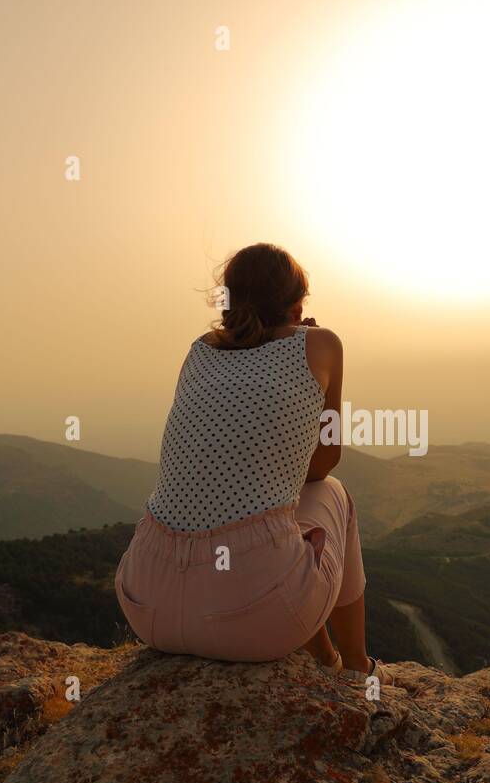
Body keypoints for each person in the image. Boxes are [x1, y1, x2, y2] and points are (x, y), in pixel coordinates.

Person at [115, 242, 389, 686]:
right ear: (298, 303)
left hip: (147, 607)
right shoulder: (322, 345)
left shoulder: (200, 349)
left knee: (268, 518)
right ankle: (357, 667)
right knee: (332, 493)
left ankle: (325, 659)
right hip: (255, 619)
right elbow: (323, 461)